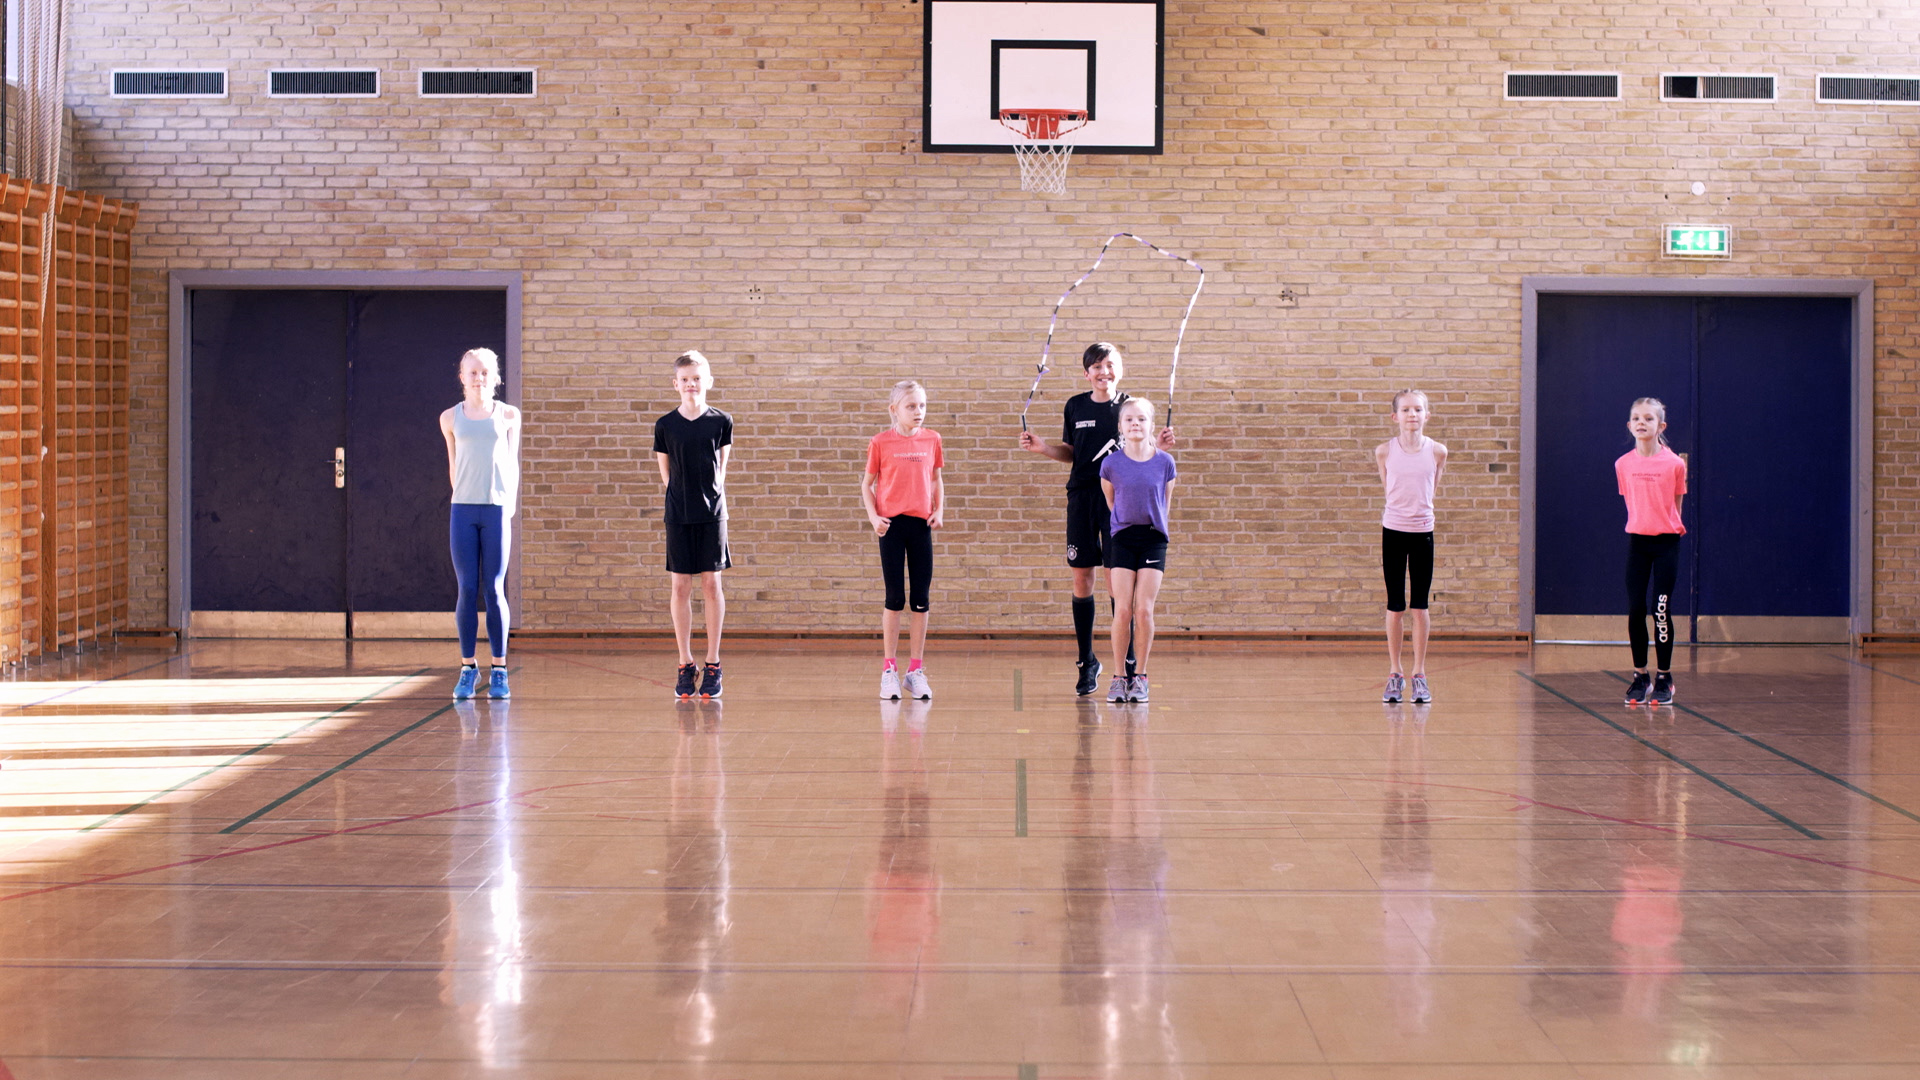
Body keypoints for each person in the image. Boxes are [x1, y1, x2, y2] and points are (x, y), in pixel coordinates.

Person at [1018, 342, 1175, 696]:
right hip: (1082, 497)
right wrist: (1044, 448)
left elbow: (1145, 455)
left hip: (1120, 501)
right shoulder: (1075, 406)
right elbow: (1072, 454)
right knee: (1082, 579)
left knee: (1116, 585)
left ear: (1120, 368)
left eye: (1110, 365)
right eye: (1097, 367)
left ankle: (1128, 666)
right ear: (1086, 372)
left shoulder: (1131, 409)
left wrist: (1162, 447)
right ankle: (1087, 661)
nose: (1104, 372)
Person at [439, 347, 521, 700]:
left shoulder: (508, 415)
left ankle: (499, 669)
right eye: (473, 372)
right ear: (462, 377)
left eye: (485, 372)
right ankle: (468, 668)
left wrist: (509, 504)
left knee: (494, 587)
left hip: (496, 509)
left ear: (496, 376)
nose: (479, 378)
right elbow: (453, 464)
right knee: (467, 588)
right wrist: (462, 495)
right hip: (463, 510)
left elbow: (512, 463)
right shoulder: (449, 418)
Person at [655, 351, 733, 700]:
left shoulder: (721, 422)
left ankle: (713, 663)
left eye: (697, 378)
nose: (691, 384)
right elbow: (666, 474)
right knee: (680, 588)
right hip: (678, 515)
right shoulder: (665, 425)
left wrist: (711, 501)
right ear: (676, 384)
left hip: (712, 515)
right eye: (685, 379)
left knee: (712, 585)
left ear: (708, 382)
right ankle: (686, 663)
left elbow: (720, 470)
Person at [863, 380, 945, 700]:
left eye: (922, 405)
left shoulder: (932, 439)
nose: (918, 412)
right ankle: (889, 670)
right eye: (911, 406)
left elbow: (936, 479)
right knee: (895, 598)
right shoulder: (881, 442)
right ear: (894, 410)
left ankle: (915, 670)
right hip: (892, 527)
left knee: (921, 599)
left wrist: (939, 510)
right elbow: (867, 485)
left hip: (920, 525)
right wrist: (874, 517)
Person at [1098, 397, 1176, 703]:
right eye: (1129, 419)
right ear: (1120, 427)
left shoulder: (1165, 463)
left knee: (1144, 609)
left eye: (1142, 419)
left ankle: (1140, 676)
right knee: (1123, 609)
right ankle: (1119, 677)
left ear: (1151, 425)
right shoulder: (1111, 464)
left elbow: (1164, 503)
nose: (1135, 423)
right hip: (1122, 539)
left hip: (1153, 539)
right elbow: (1111, 501)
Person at [1375, 389, 1447, 704]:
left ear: (1426, 415)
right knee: (1396, 606)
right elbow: (1389, 488)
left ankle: (1419, 673)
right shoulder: (1384, 452)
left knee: (1419, 606)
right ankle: (1395, 673)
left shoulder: (1437, 451)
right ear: (1395, 417)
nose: (1412, 415)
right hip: (1393, 532)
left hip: (1423, 534)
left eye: (1418, 409)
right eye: (1405, 410)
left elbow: (1432, 489)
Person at [1617, 397, 1686, 706]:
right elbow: (1632, 503)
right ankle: (1640, 675)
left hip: (1666, 543)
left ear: (1661, 426)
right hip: (1638, 543)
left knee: (1660, 609)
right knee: (1635, 608)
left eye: (1648, 418)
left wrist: (1666, 527)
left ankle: (1664, 677)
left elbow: (1676, 505)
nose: (1641, 423)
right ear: (1630, 425)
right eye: (1636, 418)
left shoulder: (1674, 464)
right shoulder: (1623, 464)